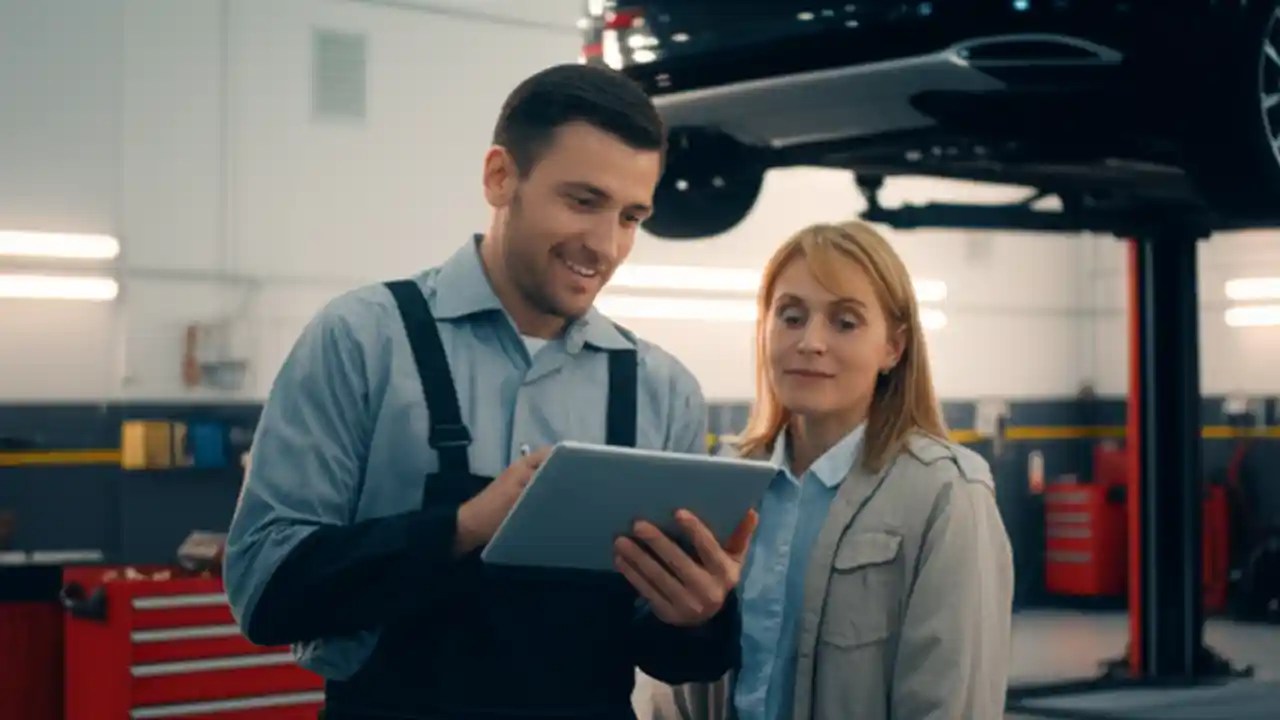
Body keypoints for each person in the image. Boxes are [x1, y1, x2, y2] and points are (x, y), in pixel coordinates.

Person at [223, 63, 756, 720]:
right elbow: (265, 589)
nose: (606, 245)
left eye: (631, 216)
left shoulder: (661, 389)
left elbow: (667, 652)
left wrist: (699, 617)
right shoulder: (363, 340)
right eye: (582, 201)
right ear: (501, 177)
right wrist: (466, 526)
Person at [650, 221, 1014, 720]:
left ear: (894, 347)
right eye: (791, 317)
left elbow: (953, 703)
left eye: (845, 322)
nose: (811, 342)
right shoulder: (724, 482)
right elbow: (676, 688)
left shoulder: (946, 494)